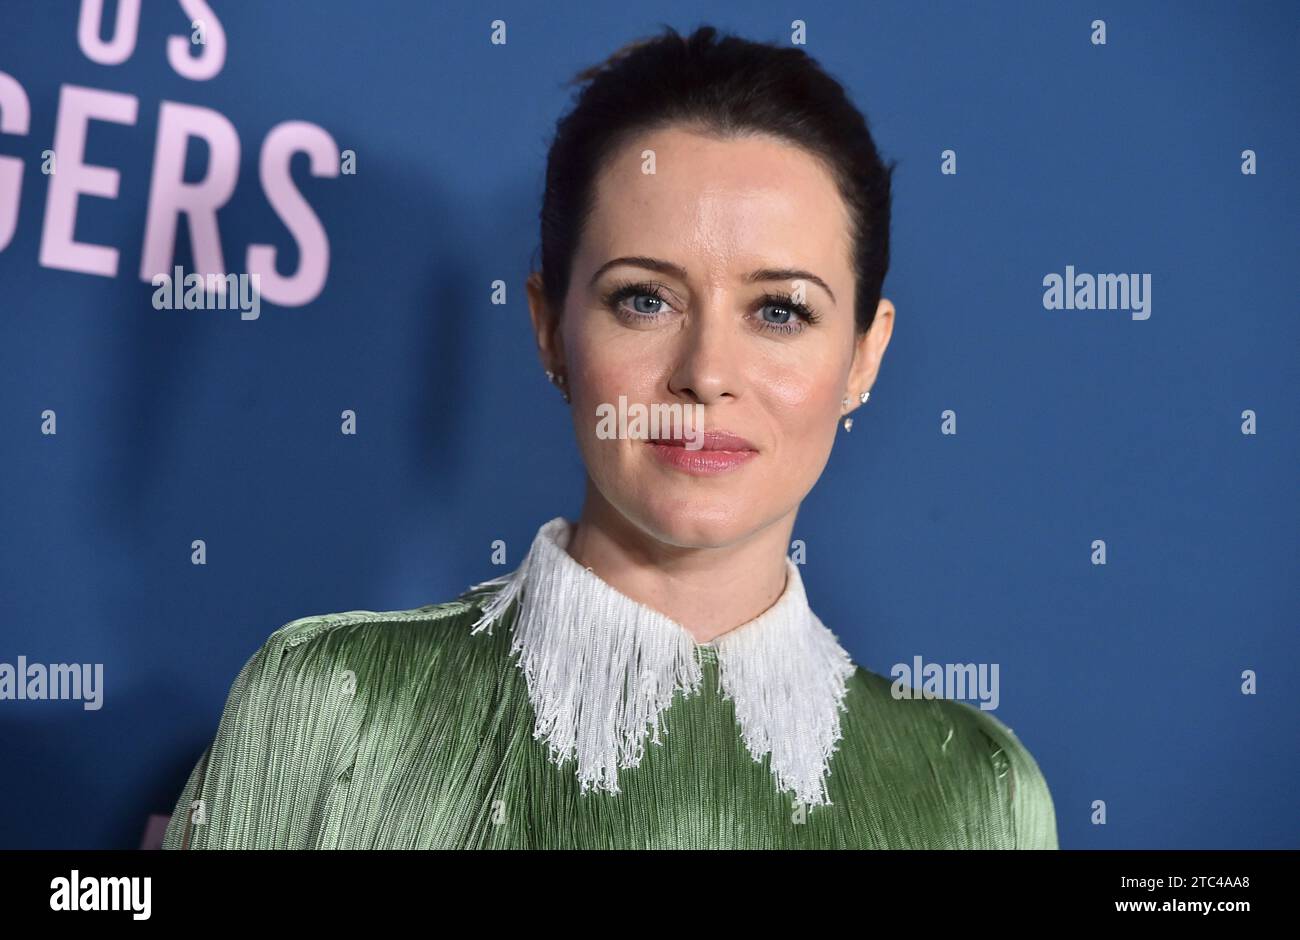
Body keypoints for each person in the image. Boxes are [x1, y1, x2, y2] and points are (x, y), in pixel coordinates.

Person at [162, 23, 1058, 850]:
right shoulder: (328, 708)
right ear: (551, 328)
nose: (706, 373)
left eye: (779, 311)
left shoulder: (976, 794)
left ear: (864, 355)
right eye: (645, 298)